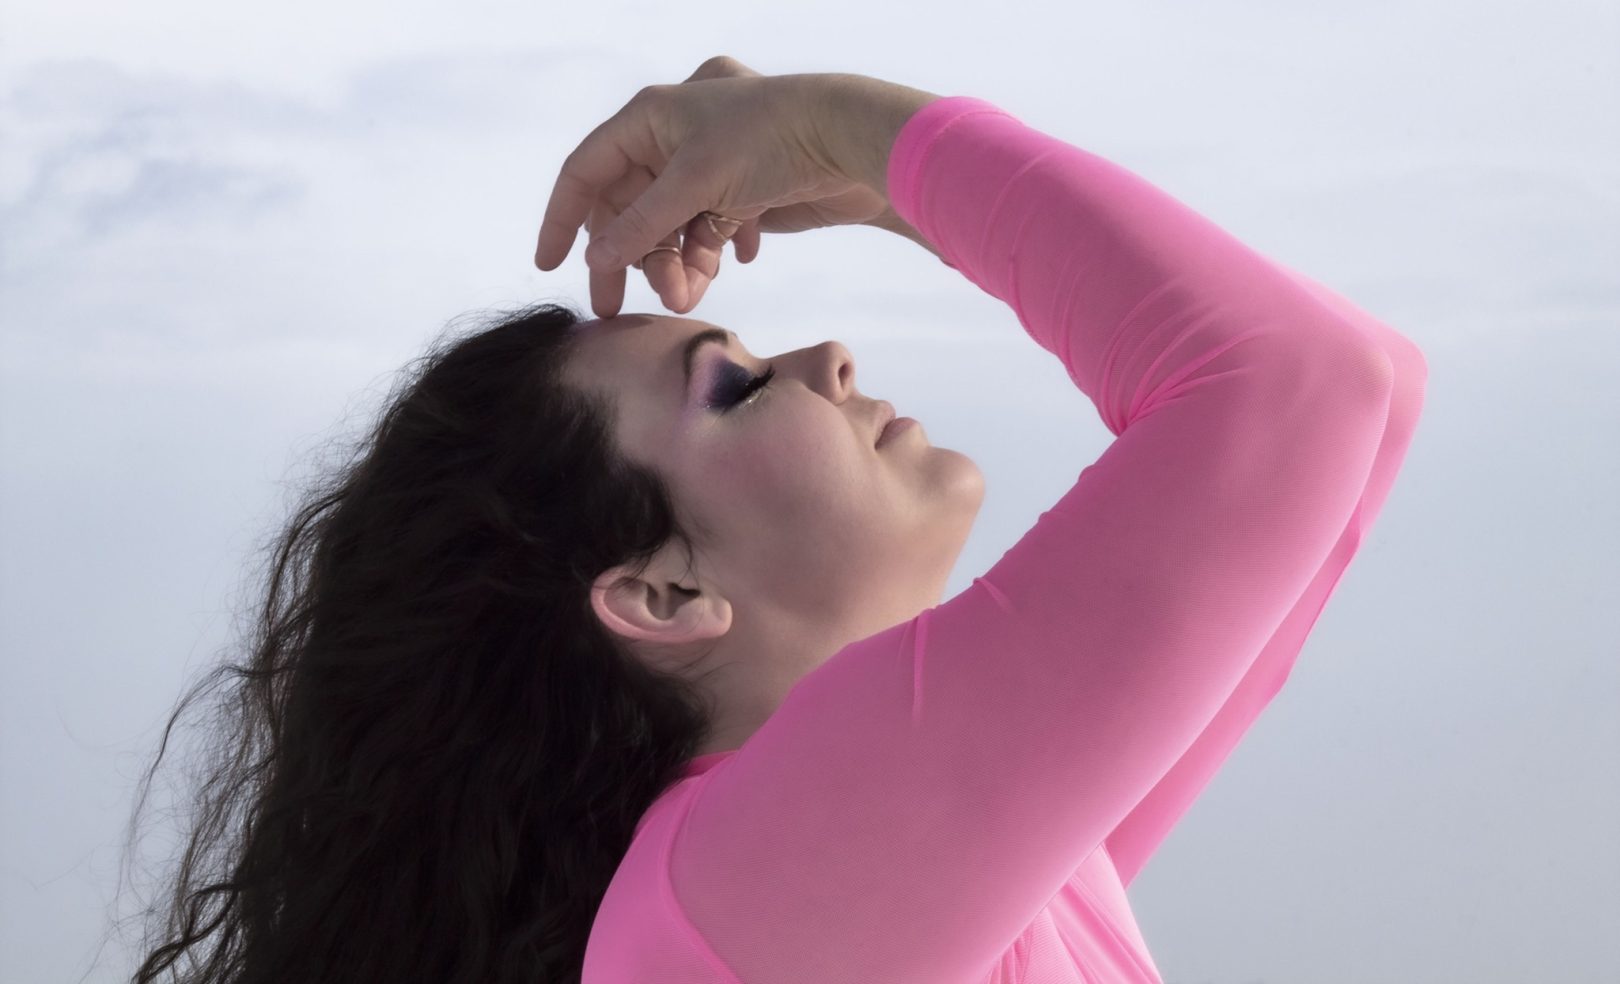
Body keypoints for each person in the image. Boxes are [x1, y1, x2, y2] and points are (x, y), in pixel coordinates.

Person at [122, 56, 1426, 984]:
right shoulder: (736, 908)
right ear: (664, 595)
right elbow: (1299, 384)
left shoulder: (864, 878)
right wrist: (835, 127)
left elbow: (1357, 399)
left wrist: (891, 190)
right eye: (736, 387)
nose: (832, 361)